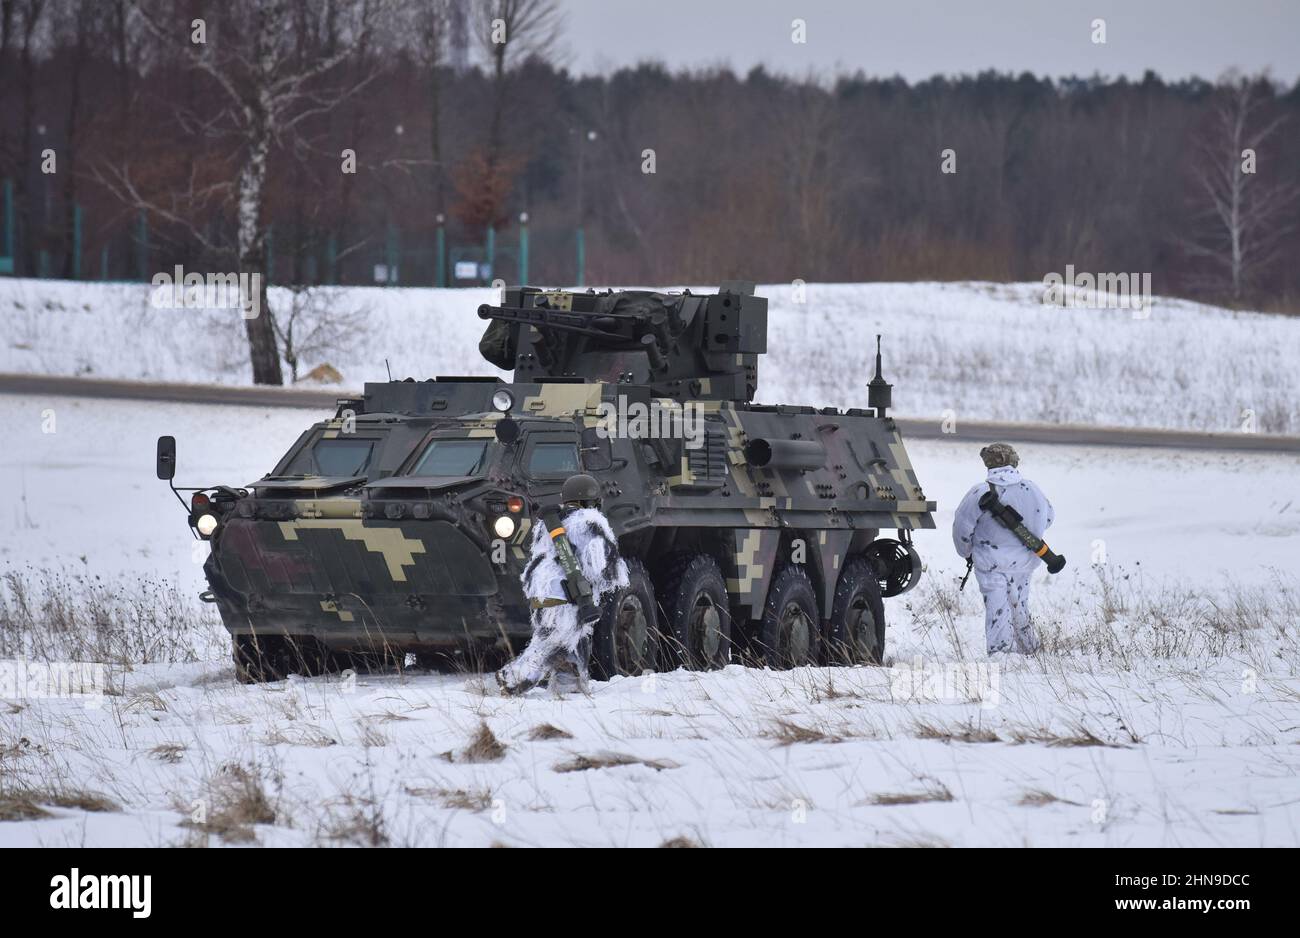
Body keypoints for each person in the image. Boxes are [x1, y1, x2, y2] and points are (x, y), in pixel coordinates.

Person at [496, 474, 629, 695]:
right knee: (548, 644)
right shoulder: (590, 521)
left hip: (541, 594)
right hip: (567, 597)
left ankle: (570, 687)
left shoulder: (548, 524)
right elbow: (599, 564)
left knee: (572, 643)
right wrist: (614, 575)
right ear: (592, 499)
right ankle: (512, 677)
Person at [951, 443, 1055, 655]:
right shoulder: (1033, 489)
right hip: (1025, 563)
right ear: (1014, 461)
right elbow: (1049, 518)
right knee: (1020, 608)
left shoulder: (980, 492)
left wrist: (967, 552)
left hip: (991, 564)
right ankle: (1030, 653)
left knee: (998, 612)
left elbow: (961, 529)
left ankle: (1001, 656)